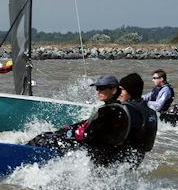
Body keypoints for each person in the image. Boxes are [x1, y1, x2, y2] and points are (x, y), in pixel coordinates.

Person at [30, 72, 158, 167]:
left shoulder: (119, 110)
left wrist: (71, 133)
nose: (120, 93)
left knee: (44, 138)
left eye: (122, 90)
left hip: (104, 157)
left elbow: (92, 135)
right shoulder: (149, 113)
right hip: (129, 162)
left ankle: (28, 160)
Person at [28, 74, 120, 153]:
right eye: (97, 88)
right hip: (86, 143)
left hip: (86, 146)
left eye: (102, 88)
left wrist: (77, 133)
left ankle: (24, 153)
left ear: (113, 90)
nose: (98, 91)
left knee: (41, 138)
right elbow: (90, 123)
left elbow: (96, 133)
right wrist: (72, 127)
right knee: (49, 135)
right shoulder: (108, 108)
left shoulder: (111, 110)